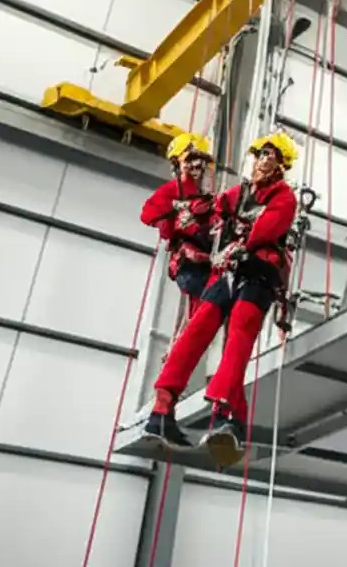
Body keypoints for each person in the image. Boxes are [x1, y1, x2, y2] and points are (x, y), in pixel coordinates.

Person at [142, 132, 300, 461]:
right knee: (196, 331)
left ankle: (226, 414)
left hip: (257, 274)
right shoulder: (239, 193)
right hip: (227, 272)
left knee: (239, 337)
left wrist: (236, 243)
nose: (263, 160)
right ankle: (162, 408)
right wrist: (189, 211)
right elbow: (213, 207)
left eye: (270, 156)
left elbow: (266, 230)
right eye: (259, 154)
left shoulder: (284, 198)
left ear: (281, 165)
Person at [141, 132, 216, 319]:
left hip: (204, 261)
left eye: (200, 161)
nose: (196, 165)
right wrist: (175, 209)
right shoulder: (174, 190)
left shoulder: (204, 193)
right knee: (204, 309)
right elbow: (148, 214)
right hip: (190, 263)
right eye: (190, 160)